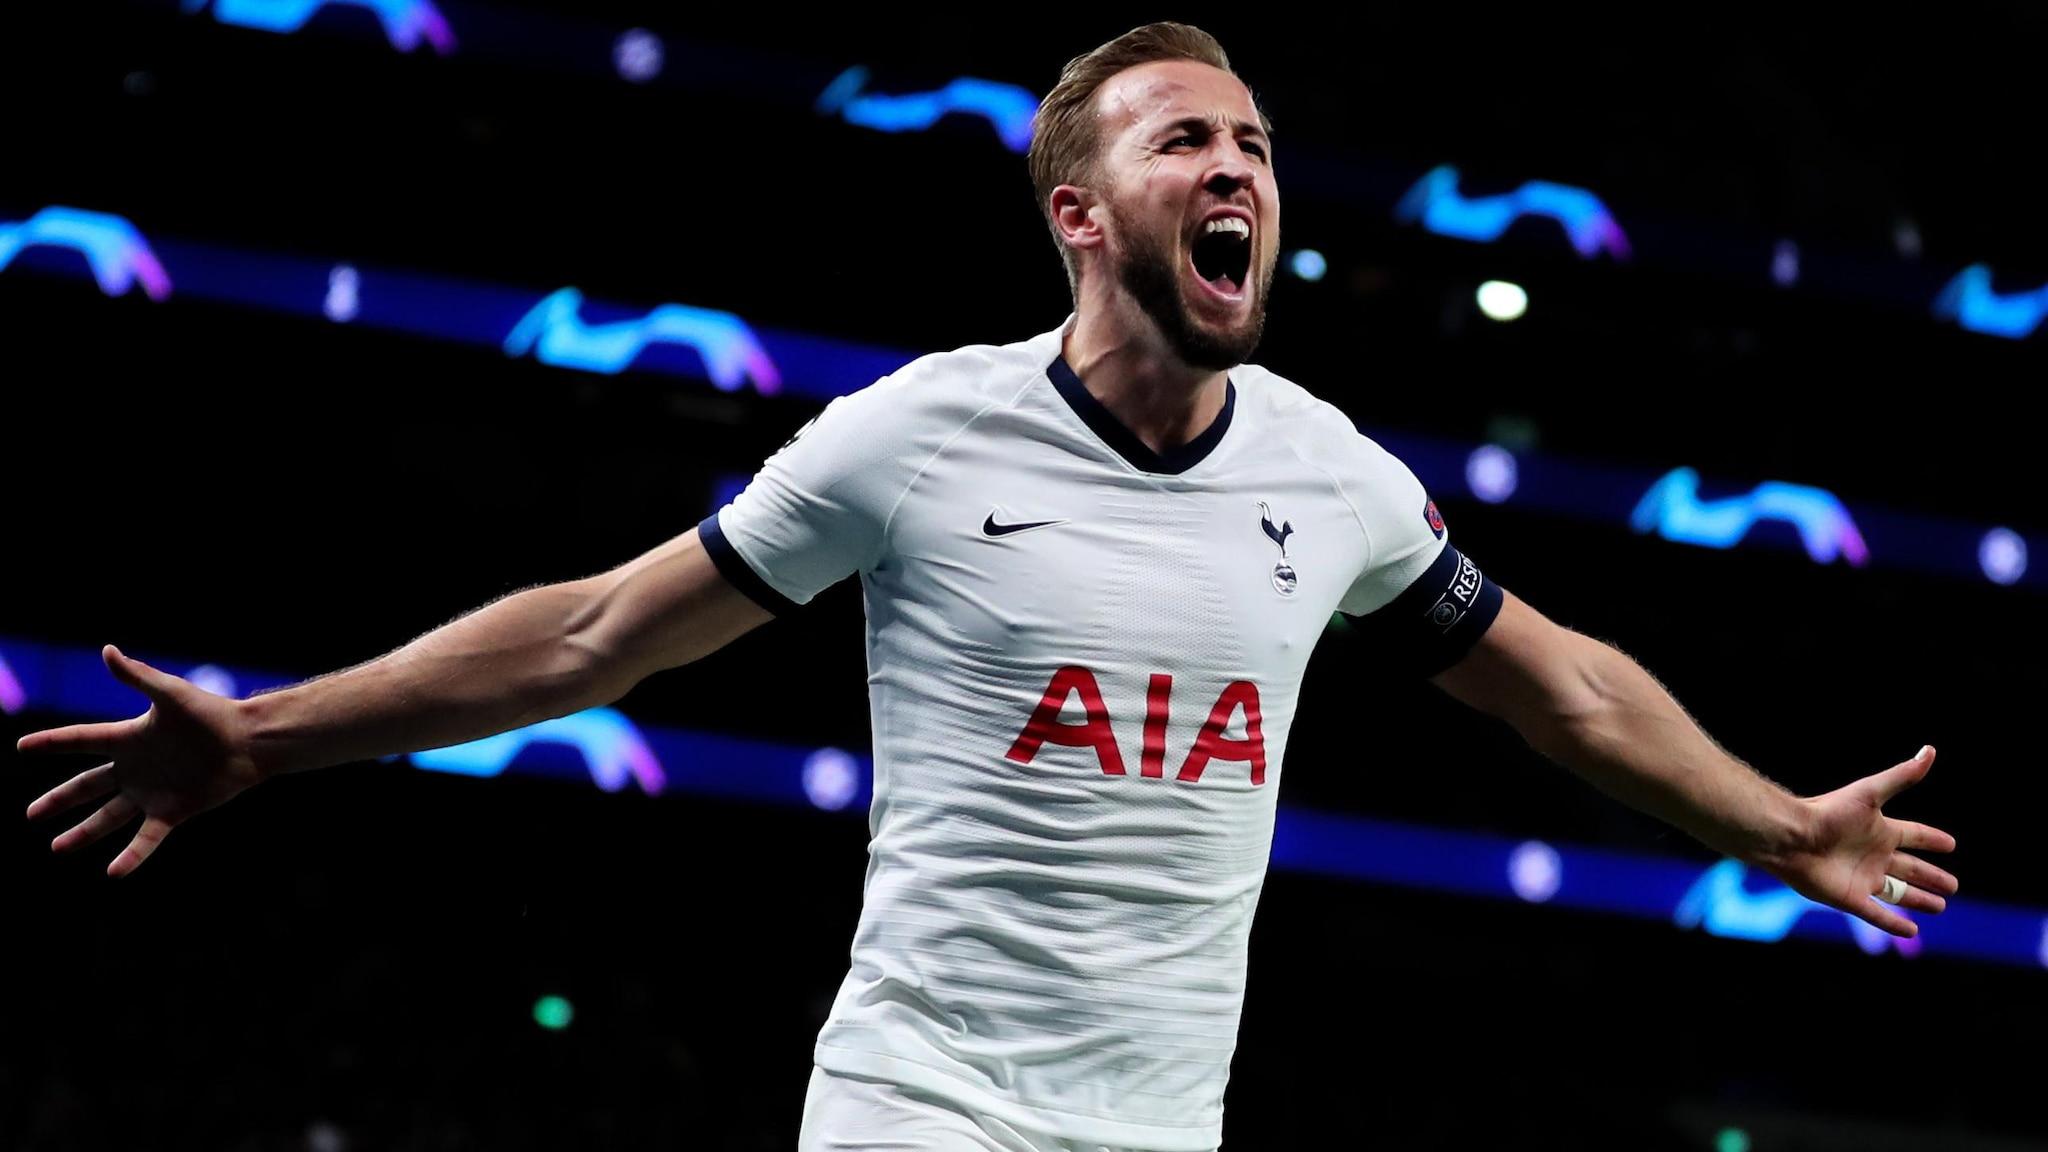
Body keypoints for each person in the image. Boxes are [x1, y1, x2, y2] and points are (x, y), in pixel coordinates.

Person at [18, 22, 1958, 1152]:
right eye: (1189, 138)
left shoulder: (1329, 469)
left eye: (1260, 145)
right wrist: (265, 738)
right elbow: (600, 629)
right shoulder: (918, 438)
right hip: (918, 1110)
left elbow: (1561, 687)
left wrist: (1778, 826)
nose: (1244, 170)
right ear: (1077, 210)